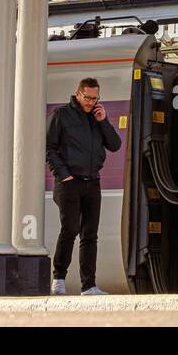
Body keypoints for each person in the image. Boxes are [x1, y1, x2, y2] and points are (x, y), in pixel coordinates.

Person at [46, 77, 122, 295]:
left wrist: (103, 121)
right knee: (70, 229)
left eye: (94, 98)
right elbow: (49, 148)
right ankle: (58, 278)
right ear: (78, 94)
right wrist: (64, 175)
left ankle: (88, 285)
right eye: (87, 97)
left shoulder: (96, 118)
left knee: (90, 234)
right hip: (69, 183)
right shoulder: (61, 115)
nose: (90, 102)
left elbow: (115, 145)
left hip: (92, 182)